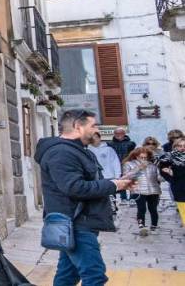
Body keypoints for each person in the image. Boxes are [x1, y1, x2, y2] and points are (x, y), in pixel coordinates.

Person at [36, 108, 132, 285]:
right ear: (77, 127)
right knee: (94, 276)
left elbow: (88, 181)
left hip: (79, 221)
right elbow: (74, 187)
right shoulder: (61, 153)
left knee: (67, 275)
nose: (97, 130)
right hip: (76, 222)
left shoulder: (76, 150)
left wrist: (116, 183)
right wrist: (112, 185)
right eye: (93, 125)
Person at [123, 147, 162, 235]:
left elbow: (160, 178)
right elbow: (126, 176)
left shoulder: (153, 165)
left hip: (153, 190)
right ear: (136, 156)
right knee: (141, 208)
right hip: (138, 190)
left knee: (153, 209)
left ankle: (154, 226)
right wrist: (138, 168)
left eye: (145, 157)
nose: (143, 159)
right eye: (141, 157)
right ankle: (142, 226)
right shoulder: (129, 164)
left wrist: (166, 172)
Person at [159, 136, 185, 230]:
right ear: (175, 146)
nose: (182, 148)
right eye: (180, 146)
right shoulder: (169, 157)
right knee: (183, 208)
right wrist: (171, 177)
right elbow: (162, 169)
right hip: (178, 186)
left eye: (184, 146)